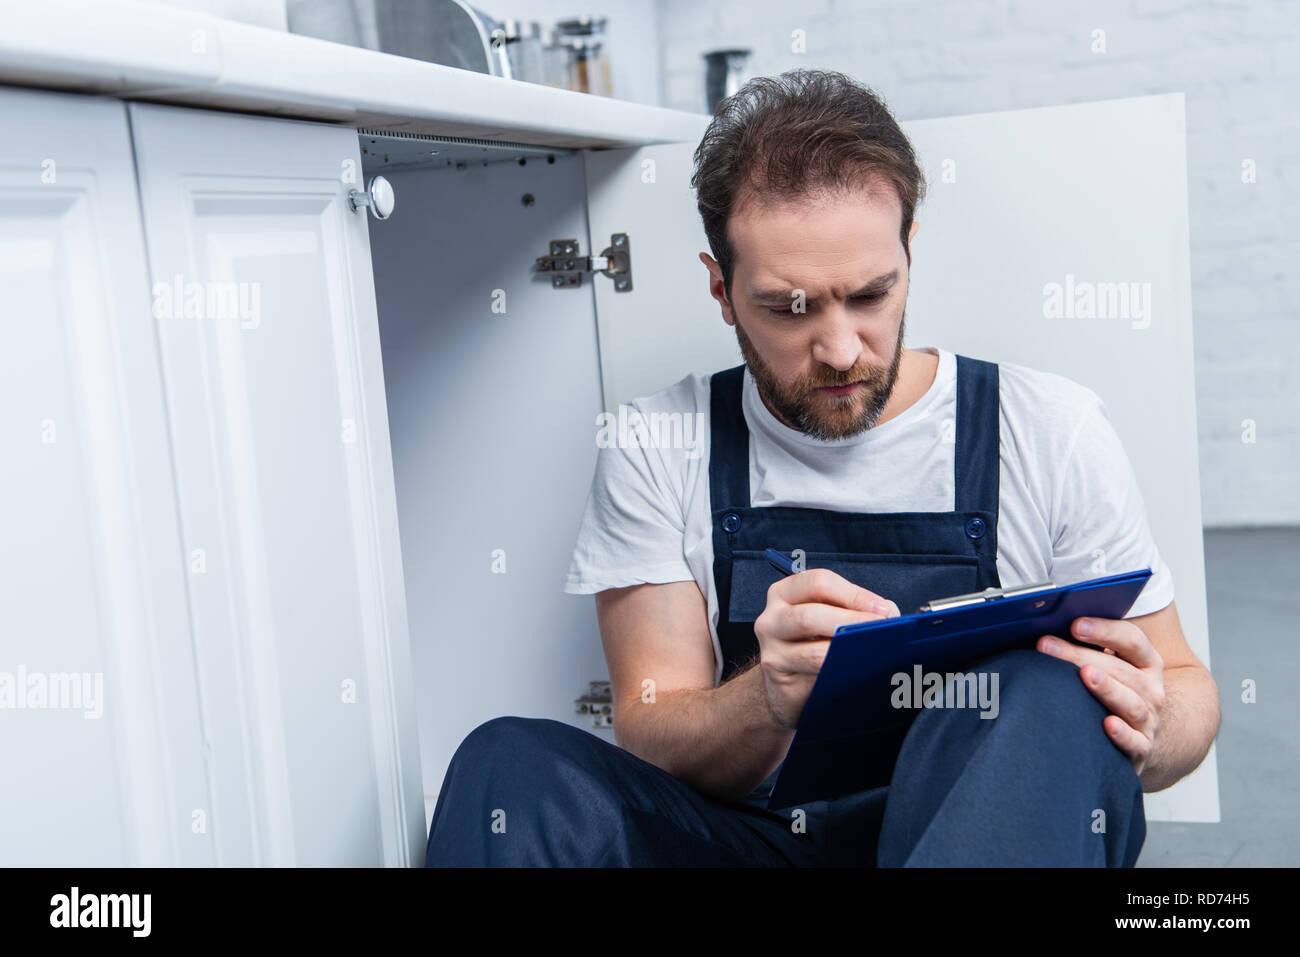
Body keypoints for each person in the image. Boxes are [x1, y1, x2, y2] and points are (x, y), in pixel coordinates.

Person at [425, 68, 1220, 867]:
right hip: (752, 840)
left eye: (872, 295)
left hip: (979, 829)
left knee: (1050, 696)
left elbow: (1186, 685)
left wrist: (1148, 727)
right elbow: (653, 727)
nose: (840, 350)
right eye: (787, 306)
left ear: (908, 253)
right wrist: (766, 699)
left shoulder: (1049, 428)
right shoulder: (654, 440)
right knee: (508, 767)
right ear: (721, 289)